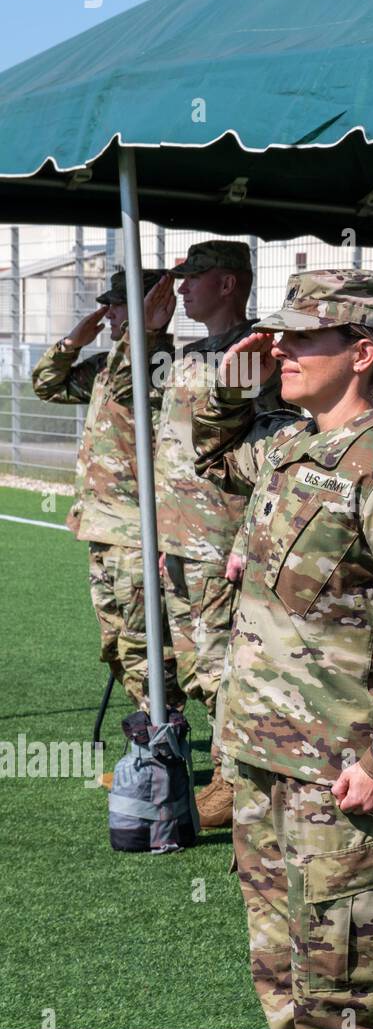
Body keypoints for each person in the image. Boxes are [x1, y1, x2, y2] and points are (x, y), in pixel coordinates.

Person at [192, 269, 373, 1029]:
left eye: (305, 336)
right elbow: (210, 455)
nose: (283, 347)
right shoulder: (292, 448)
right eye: (282, 334)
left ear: (364, 351)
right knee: (284, 991)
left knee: (350, 1009)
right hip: (264, 766)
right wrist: (233, 384)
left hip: (344, 786)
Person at [118, 240, 280, 830]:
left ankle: (238, 781)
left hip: (222, 533)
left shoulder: (257, 356)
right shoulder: (189, 354)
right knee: (192, 661)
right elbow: (125, 401)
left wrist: (245, 540)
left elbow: (272, 453)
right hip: (180, 535)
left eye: (194, 276)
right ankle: (227, 773)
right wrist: (152, 334)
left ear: (229, 283)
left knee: (218, 662)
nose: (182, 288)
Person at [31, 269, 183, 715]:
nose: (109, 312)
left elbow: (126, 381)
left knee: (145, 647)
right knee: (116, 643)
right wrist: (72, 342)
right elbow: (47, 386)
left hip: (137, 531)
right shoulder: (107, 364)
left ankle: (161, 749)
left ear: (149, 307)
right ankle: (150, 739)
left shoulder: (158, 363)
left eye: (119, 304)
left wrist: (148, 330)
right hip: (102, 525)